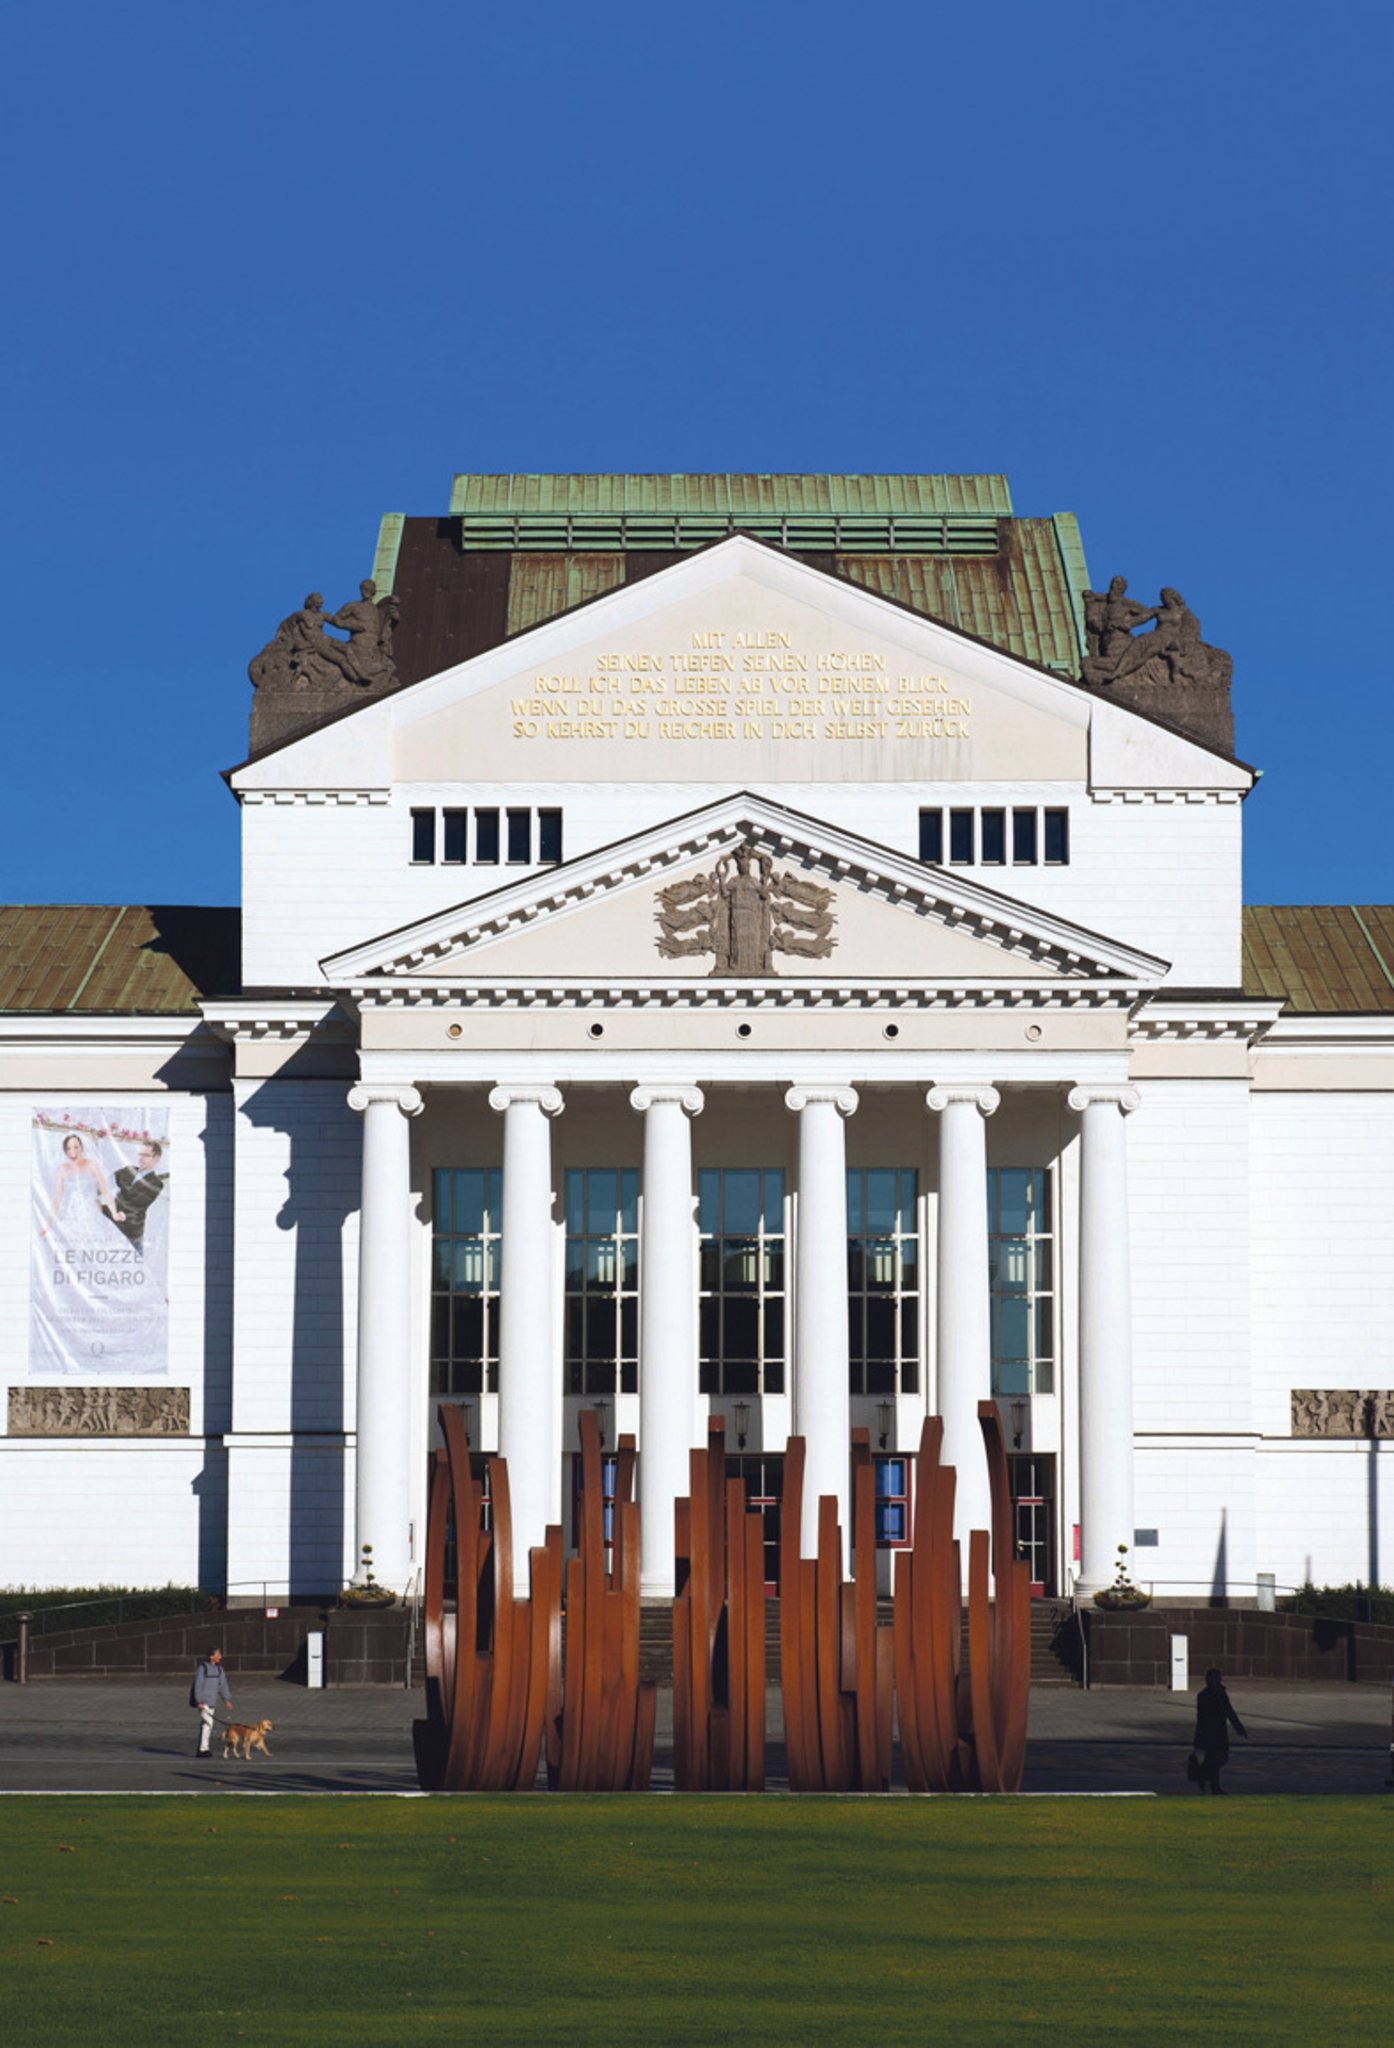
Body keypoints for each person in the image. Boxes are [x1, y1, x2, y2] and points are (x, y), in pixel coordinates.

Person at [38, 1131, 125, 1243]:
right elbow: (57, 1199)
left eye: (76, 1147)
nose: (72, 1152)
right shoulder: (62, 1169)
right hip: (70, 1216)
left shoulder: (92, 1164)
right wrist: (48, 1225)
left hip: (92, 1215)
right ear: (64, 1151)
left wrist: (114, 1213)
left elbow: (106, 1191)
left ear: (82, 1148)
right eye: (68, 1148)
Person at [111, 1139, 168, 1258]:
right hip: (111, 1229)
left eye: (146, 1155)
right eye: (140, 1154)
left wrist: (113, 1198)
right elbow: (104, 1184)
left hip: (132, 1233)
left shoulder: (156, 1183)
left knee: (133, 1269)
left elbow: (135, 1205)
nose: (141, 1158)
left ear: (156, 1158)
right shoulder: (127, 1170)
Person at [1192, 1666, 1246, 1793]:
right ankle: (1212, 1784)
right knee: (1216, 1759)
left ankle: (1204, 1776)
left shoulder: (1215, 1694)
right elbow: (1204, 1717)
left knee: (1217, 1759)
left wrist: (1238, 1727)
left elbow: (1229, 1712)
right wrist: (1238, 1727)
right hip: (1212, 1733)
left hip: (1216, 1732)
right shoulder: (1208, 1695)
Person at [190, 1646, 232, 1757]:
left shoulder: (219, 1669)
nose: (220, 1657)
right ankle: (203, 1749)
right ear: (211, 1656)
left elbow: (222, 1685)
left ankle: (204, 1749)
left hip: (212, 1702)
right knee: (209, 1723)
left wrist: (226, 1699)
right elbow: (198, 1685)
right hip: (203, 1702)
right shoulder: (202, 1668)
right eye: (218, 1654)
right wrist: (198, 1701)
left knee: (207, 1725)